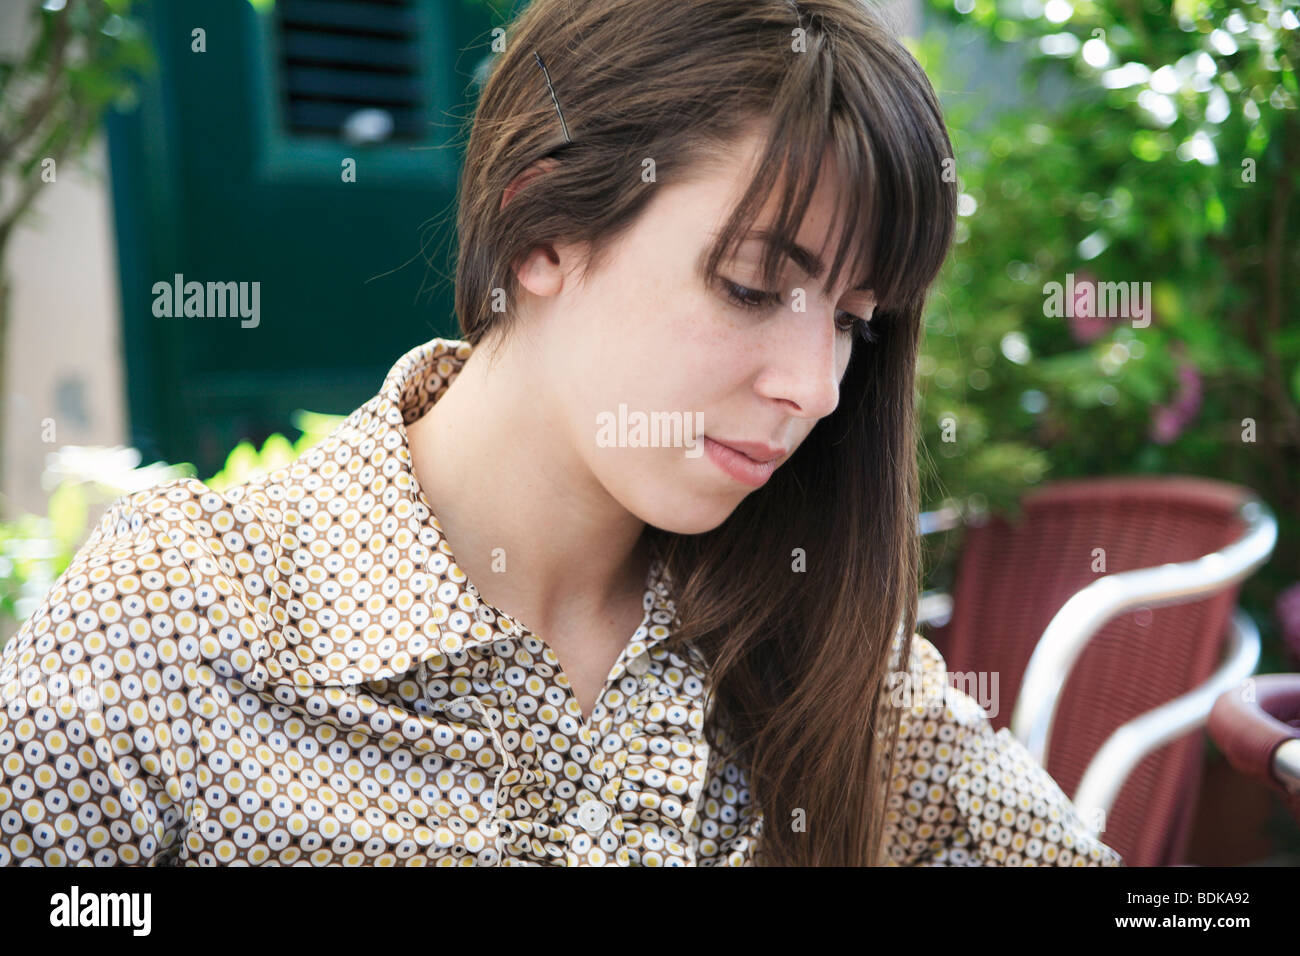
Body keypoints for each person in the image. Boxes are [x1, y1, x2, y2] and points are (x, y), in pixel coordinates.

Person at [0, 0, 1122, 866]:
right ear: (541, 225)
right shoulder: (190, 610)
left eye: (854, 324)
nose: (815, 386)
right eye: (748, 284)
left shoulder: (818, 641)